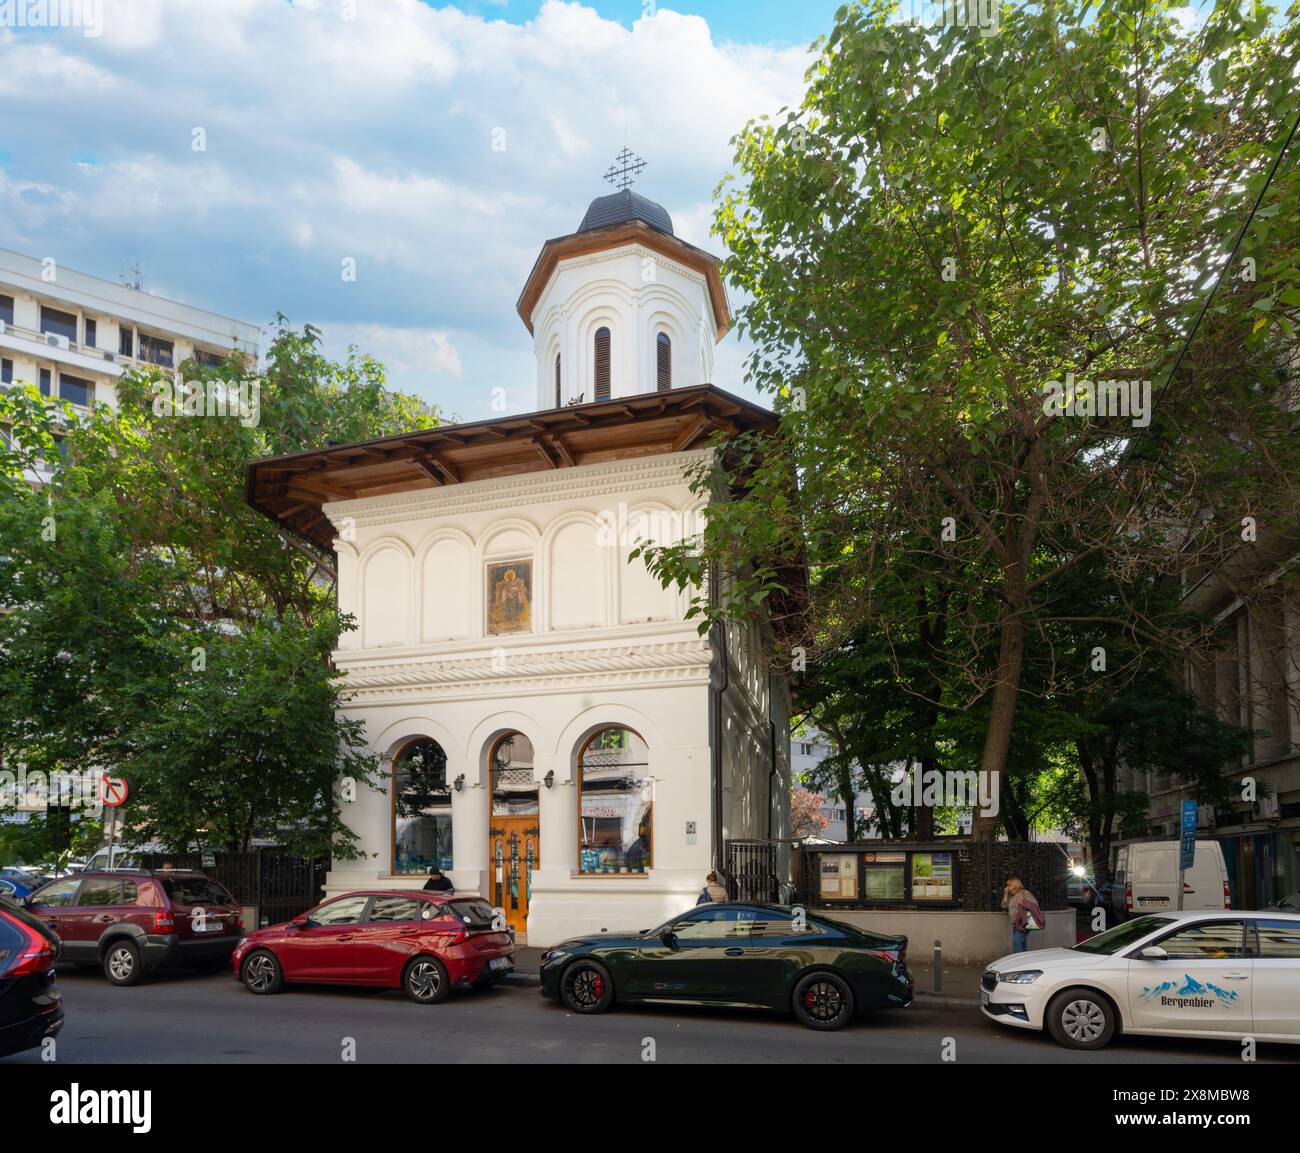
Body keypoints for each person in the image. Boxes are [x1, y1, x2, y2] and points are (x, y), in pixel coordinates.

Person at [1001, 875, 1044, 953]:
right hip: (1015, 923)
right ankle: (1024, 960)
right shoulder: (1011, 896)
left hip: (1024, 922)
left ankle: (1018, 962)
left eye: (1009, 885)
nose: (1007, 887)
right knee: (1022, 942)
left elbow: (1035, 905)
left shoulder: (1024, 893)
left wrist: (1023, 904)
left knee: (1016, 942)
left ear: (1015, 885)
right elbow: (1004, 906)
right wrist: (1005, 895)